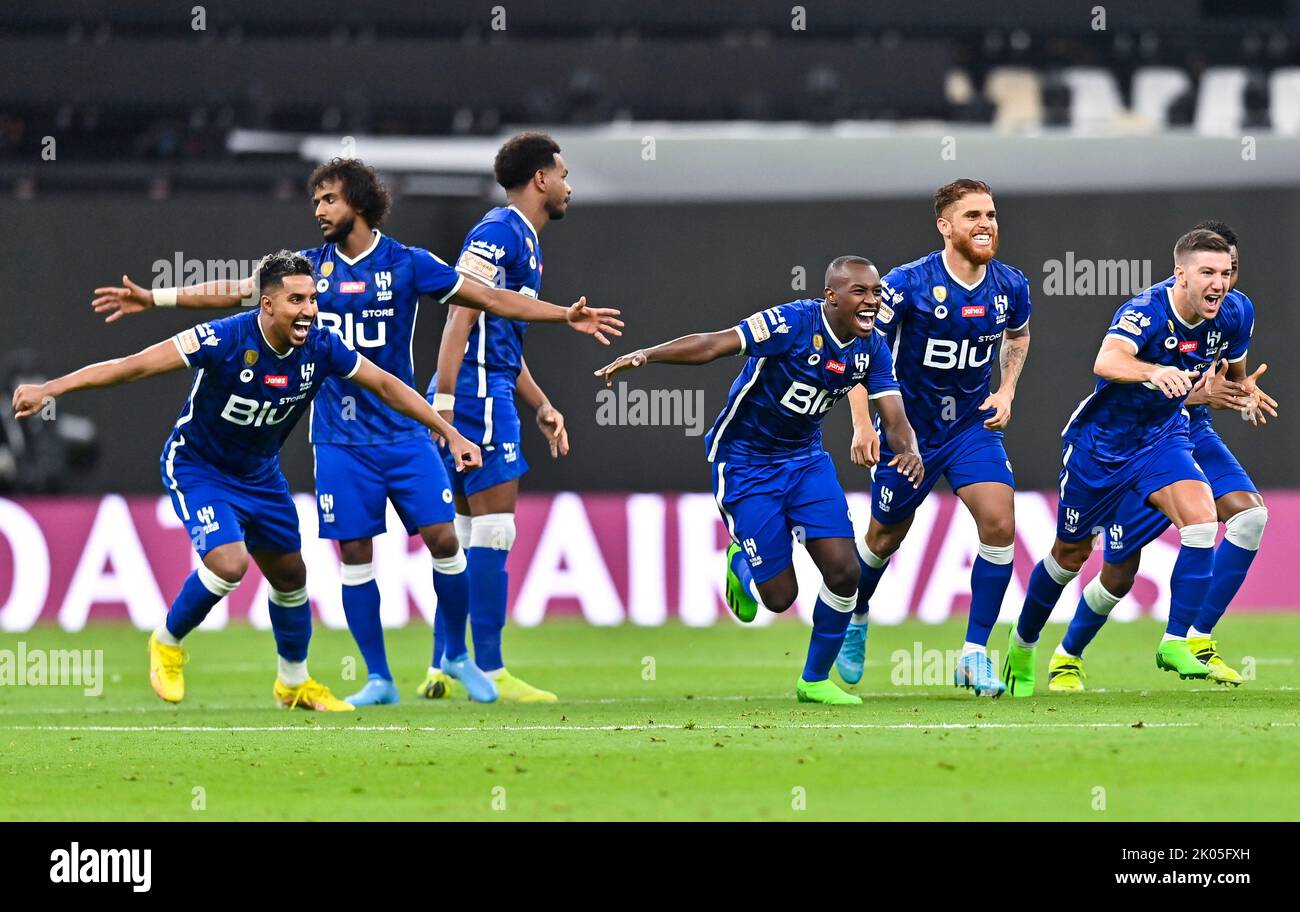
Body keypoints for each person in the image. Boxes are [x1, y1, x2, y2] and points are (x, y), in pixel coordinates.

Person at [90, 158, 622, 706]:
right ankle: (378, 678)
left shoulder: (408, 263)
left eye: (329, 199)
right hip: (339, 439)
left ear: (360, 203)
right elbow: (239, 292)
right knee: (355, 553)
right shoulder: (305, 272)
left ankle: (456, 655)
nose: (318, 210)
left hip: (404, 431)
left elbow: (486, 297)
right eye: (316, 200)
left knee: (444, 538)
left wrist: (561, 315)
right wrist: (156, 298)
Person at [21, 251, 483, 710]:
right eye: (297, 300)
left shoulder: (321, 346)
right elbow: (134, 365)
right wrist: (51, 389)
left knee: (291, 577)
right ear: (267, 305)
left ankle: (293, 682)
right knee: (229, 564)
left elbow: (385, 385)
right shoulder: (223, 338)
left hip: (260, 475)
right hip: (199, 467)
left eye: (313, 299)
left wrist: (449, 430)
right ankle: (166, 641)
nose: (309, 311)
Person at [595, 256, 923, 705]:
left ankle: (813, 679)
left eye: (876, 293)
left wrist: (909, 451)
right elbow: (714, 344)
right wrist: (648, 355)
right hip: (746, 462)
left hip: (806, 462)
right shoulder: (790, 322)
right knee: (779, 597)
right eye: (860, 293)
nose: (872, 302)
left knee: (845, 571)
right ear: (831, 297)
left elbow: (895, 415)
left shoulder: (874, 348)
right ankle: (742, 561)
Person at [1013, 222, 1276, 693]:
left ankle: (1183, 640)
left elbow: (1231, 373)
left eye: (1228, 272)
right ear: (1181, 274)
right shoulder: (1146, 311)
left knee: (1204, 521)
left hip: (1167, 436)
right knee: (1078, 560)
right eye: (1210, 272)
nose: (1221, 282)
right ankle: (1026, 644)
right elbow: (1106, 361)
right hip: (1104, 446)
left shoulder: (1235, 312)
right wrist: (1156, 372)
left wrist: (1242, 390)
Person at [835, 179, 1032, 697]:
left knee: (999, 521)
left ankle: (973, 655)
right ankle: (855, 614)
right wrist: (862, 422)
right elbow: (860, 348)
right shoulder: (906, 284)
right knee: (883, 540)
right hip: (909, 433)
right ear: (945, 227)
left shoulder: (1010, 285)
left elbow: (1019, 334)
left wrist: (1006, 390)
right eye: (972, 216)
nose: (986, 223)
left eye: (990, 214)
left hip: (971, 426)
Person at [424, 132, 576, 703]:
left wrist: (541, 404)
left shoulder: (526, 240)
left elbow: (501, 340)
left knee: (463, 536)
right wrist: (444, 406)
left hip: (487, 389)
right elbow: (459, 315)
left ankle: (445, 663)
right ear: (540, 179)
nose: (568, 186)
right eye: (562, 174)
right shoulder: (499, 231)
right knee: (495, 530)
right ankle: (488, 668)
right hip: (476, 396)